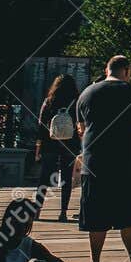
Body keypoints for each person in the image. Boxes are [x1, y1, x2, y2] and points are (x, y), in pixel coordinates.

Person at [75, 55, 131, 262]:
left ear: (106, 69)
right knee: (129, 219)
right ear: (127, 71)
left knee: (95, 220)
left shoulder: (87, 94)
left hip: (94, 166)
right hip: (126, 165)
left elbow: (81, 127)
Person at [34, 73, 80, 221]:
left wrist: (39, 146)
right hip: (70, 145)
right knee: (66, 178)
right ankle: (63, 212)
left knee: (44, 177)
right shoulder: (76, 102)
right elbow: (81, 123)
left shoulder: (49, 101)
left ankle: (37, 210)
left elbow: (41, 124)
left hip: (50, 144)